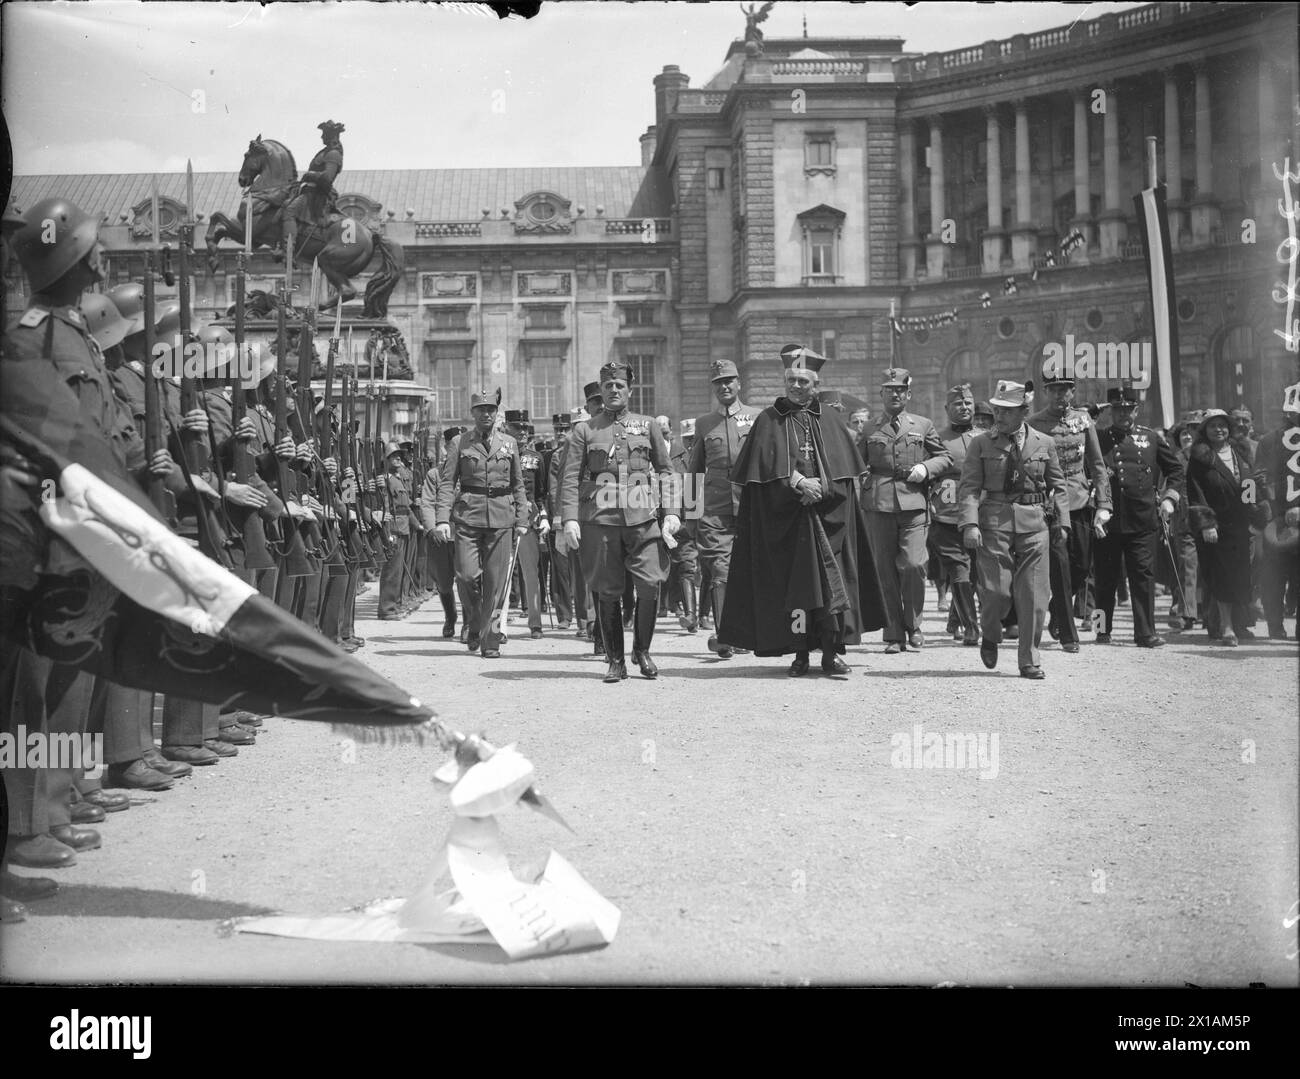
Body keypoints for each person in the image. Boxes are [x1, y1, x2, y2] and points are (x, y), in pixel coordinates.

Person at [720, 344, 887, 676]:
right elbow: (761, 472)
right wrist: (796, 483)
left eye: (803, 382)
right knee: (795, 588)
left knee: (829, 588)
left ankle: (830, 652)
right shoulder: (768, 420)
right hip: (787, 521)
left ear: (816, 385)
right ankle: (800, 654)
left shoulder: (832, 420)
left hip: (827, 518)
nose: (796, 387)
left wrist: (821, 488)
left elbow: (845, 474)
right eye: (792, 380)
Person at [560, 362, 682, 682]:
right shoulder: (585, 430)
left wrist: (670, 511)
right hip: (601, 520)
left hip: (642, 518)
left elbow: (666, 470)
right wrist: (570, 519)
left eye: (619, 386)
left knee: (650, 583)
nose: (614, 391)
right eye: (608, 386)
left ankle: (642, 650)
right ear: (600, 391)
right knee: (608, 588)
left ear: (630, 389)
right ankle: (616, 659)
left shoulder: (648, 425)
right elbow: (570, 478)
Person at [958, 379, 1069, 680]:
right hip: (995, 523)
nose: (1000, 416)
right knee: (995, 592)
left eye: (1008, 411)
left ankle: (1029, 659)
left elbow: (1058, 487)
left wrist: (1063, 522)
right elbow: (968, 487)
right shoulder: (981, 444)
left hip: (1035, 523)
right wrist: (969, 523)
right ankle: (991, 634)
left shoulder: (1045, 443)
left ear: (1024, 410)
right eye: (997, 410)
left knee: (1034, 595)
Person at [858, 367, 951, 653]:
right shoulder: (870, 428)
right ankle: (894, 634)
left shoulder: (922, 425)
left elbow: (944, 457)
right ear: (882, 394)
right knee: (884, 570)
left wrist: (925, 468)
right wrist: (864, 482)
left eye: (900, 390)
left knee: (913, 566)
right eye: (889, 390)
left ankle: (914, 624)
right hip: (879, 504)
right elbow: (857, 464)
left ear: (908, 394)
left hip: (914, 503)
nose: (895, 394)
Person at [434, 389, 528, 659]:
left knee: (496, 584)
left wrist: (522, 518)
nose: (486, 414)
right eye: (480, 409)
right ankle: (474, 622)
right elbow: (446, 483)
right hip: (468, 517)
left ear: (496, 413)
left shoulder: (509, 442)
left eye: (490, 409)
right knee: (465, 575)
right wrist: (442, 519)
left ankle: (490, 642)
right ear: (473, 413)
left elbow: (518, 485)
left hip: (502, 519)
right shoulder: (460, 443)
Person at [1027, 366, 1111, 653]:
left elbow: (1097, 466)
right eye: (1054, 389)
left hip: (1078, 500)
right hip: (1050, 504)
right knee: (1061, 567)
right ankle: (1068, 634)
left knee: (1082, 564)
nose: (1060, 394)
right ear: (1045, 392)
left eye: (1065, 389)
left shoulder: (1083, 420)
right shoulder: (1034, 423)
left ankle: (1056, 606)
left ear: (1073, 391)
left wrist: (1104, 503)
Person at [1093, 384, 1185, 647]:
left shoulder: (1152, 438)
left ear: (1136, 409)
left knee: (1143, 577)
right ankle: (1102, 630)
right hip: (1108, 520)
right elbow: (1088, 470)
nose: (1123, 414)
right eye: (1118, 409)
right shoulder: (1098, 438)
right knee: (1104, 578)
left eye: (1128, 409)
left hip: (1143, 520)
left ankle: (1145, 633)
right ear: (1110, 411)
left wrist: (1169, 498)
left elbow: (1176, 471)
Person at [686, 359, 759, 659]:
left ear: (739, 383)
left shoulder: (757, 419)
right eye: (718, 382)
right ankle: (725, 634)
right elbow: (694, 471)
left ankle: (749, 631)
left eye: (729, 380)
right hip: (715, 511)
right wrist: (691, 516)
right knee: (720, 572)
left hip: (751, 509)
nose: (724, 386)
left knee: (748, 572)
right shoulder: (704, 424)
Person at [1187, 409, 1259, 645]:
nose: (1219, 429)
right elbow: (1196, 493)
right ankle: (1226, 627)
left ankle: (1240, 624)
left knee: (1242, 576)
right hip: (1216, 529)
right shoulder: (1200, 457)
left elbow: (1249, 484)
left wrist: (1255, 514)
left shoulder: (1241, 451)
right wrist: (1207, 523)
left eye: (1222, 425)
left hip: (1241, 525)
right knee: (1221, 577)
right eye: (1212, 426)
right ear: (1205, 431)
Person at [927, 384, 981, 646]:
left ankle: (955, 618)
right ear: (947, 409)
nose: (964, 408)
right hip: (945, 518)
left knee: (976, 575)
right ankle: (972, 627)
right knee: (960, 572)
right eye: (958, 404)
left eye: (968, 403)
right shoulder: (936, 439)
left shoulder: (985, 438)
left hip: (980, 518)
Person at [1255, 383, 1300, 640]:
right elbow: (1254, 480)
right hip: (1276, 522)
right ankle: (1275, 624)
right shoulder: (1270, 441)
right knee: (1274, 577)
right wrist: (1270, 511)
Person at [504, 408, 548, 639]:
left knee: (531, 573)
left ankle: (535, 623)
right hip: (503, 518)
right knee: (501, 574)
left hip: (528, 520)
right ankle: (498, 625)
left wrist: (544, 516)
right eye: (516, 428)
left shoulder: (536, 458)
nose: (521, 432)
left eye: (524, 428)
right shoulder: (499, 453)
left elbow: (540, 493)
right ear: (506, 428)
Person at [287, 120, 345, 234]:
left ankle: (287, 247)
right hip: (309, 191)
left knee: (289, 212)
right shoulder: (324, 152)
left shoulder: (333, 154)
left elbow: (327, 178)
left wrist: (309, 175)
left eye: (324, 133)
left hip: (317, 194)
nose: (322, 136)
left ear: (331, 135)